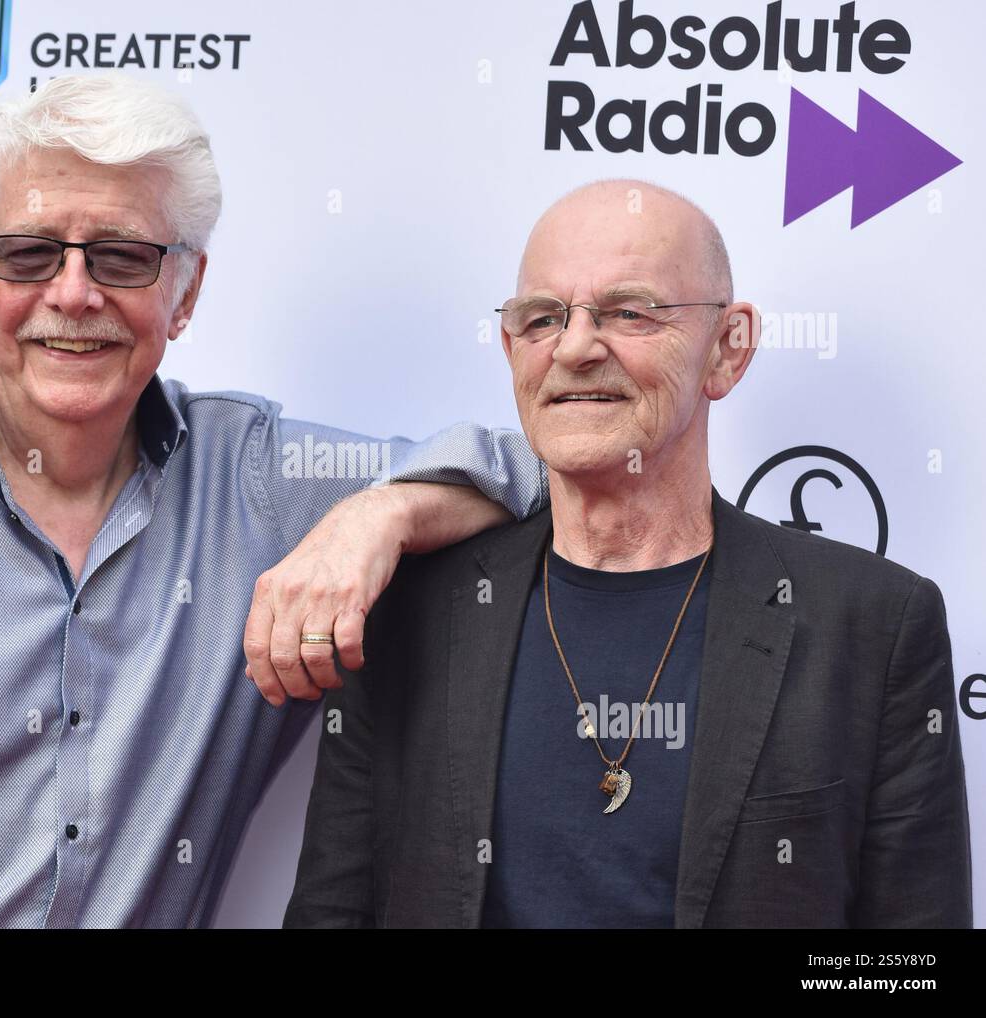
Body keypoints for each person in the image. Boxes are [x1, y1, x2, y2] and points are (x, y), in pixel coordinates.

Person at [0, 73, 547, 927]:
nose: (73, 293)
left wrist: (379, 515)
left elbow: (541, 470)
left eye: (123, 257)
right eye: (28, 253)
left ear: (187, 293)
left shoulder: (255, 484)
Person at [283, 179, 973, 928]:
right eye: (543, 318)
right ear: (513, 349)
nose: (576, 348)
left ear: (728, 348)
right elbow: (330, 911)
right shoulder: (407, 609)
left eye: (629, 312)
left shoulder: (873, 624)